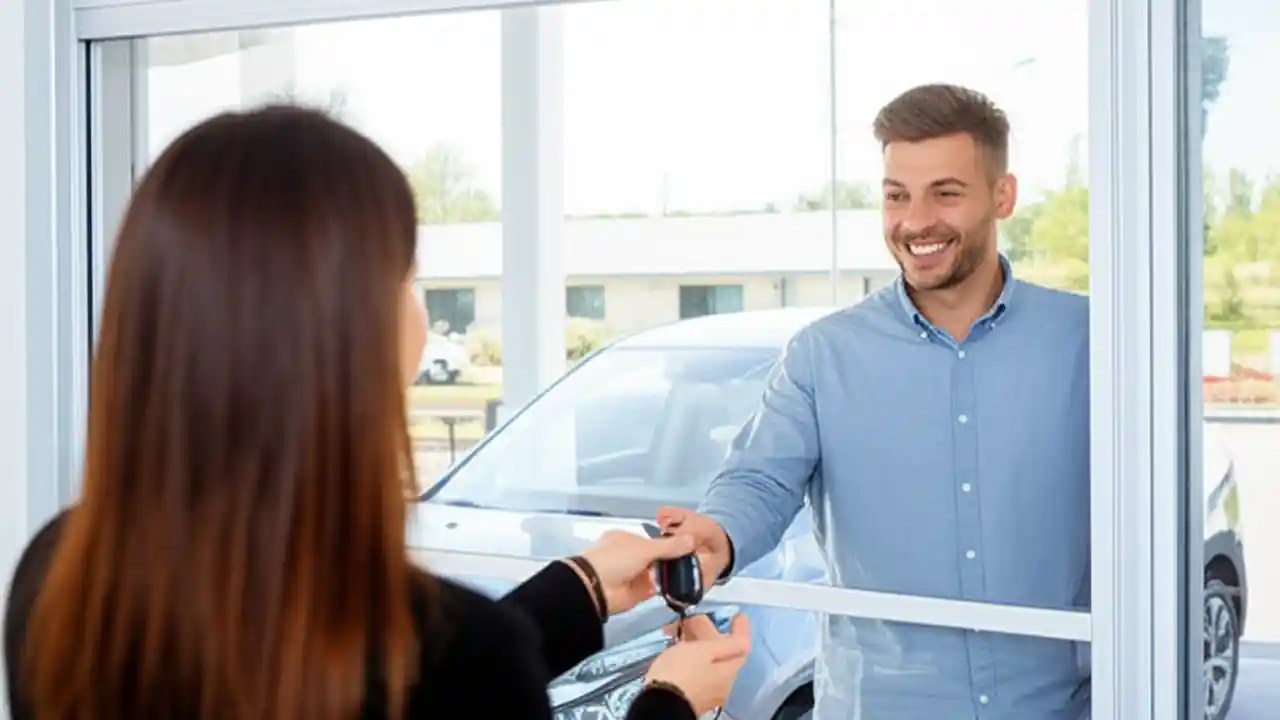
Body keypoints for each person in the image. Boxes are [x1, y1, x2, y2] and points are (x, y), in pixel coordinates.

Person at [2, 106, 749, 720]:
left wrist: (576, 590)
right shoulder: (464, 660)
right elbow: (435, 673)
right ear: (343, 331)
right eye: (410, 277)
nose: (420, 314)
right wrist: (670, 705)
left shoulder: (60, 582)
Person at [658, 83, 1091, 719]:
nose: (915, 221)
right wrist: (715, 537)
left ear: (1004, 196)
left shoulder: (1088, 341)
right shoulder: (823, 354)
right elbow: (759, 480)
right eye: (896, 195)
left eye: (945, 192)